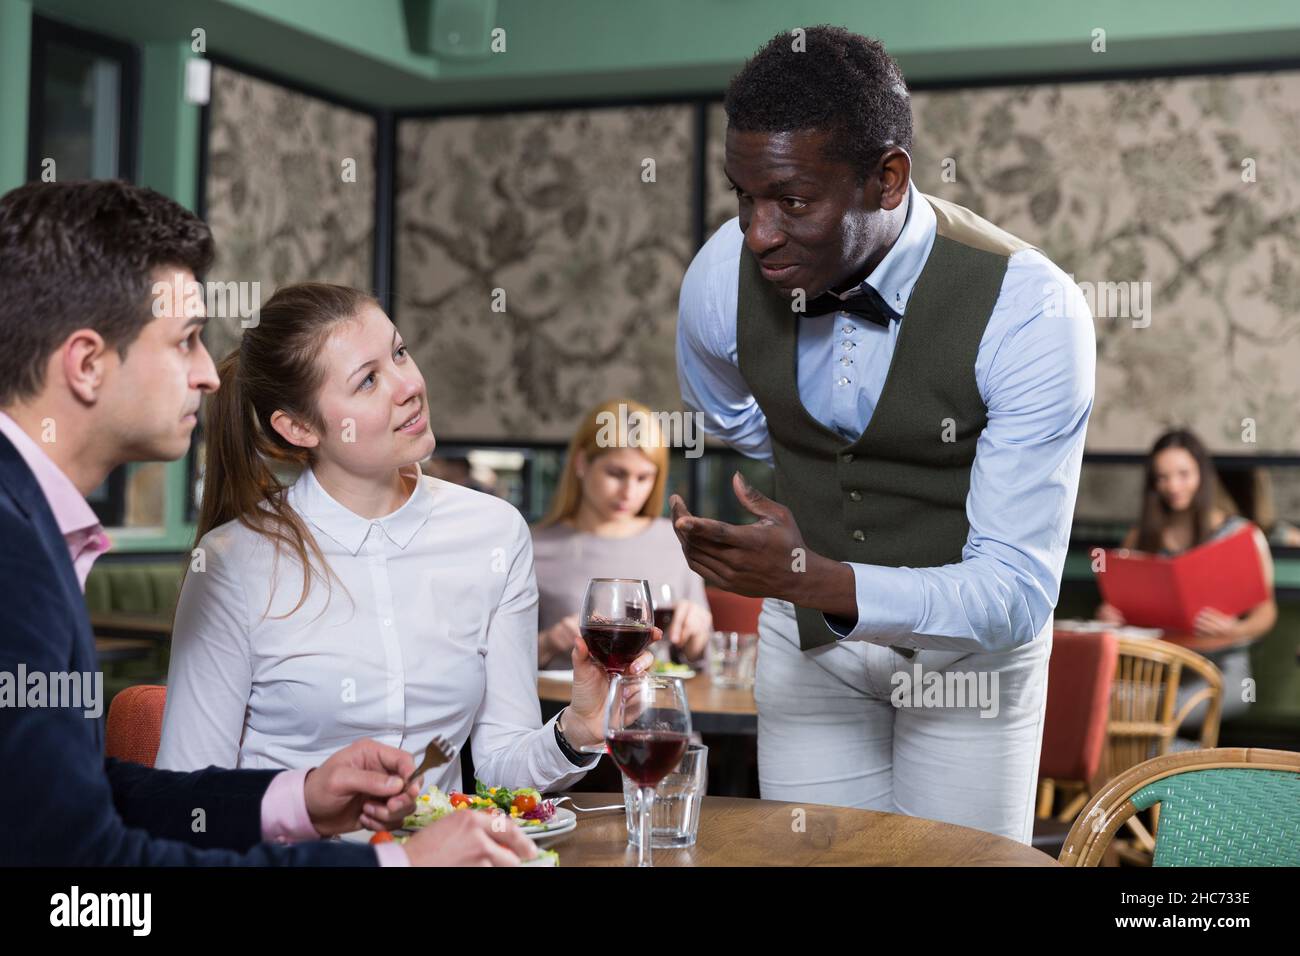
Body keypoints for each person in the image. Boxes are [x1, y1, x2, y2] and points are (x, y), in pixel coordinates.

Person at [0, 179, 535, 865]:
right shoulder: (15, 555)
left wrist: (297, 797)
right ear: (87, 364)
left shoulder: (33, 531)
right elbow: (85, 880)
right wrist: (393, 864)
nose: (211, 375)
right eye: (187, 341)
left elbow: (76, 800)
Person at [671, 27, 1095, 844]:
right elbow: (737, 419)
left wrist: (827, 579)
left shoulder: (1032, 309)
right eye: (743, 196)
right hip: (810, 651)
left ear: (887, 178)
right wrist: (818, 472)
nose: (758, 232)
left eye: (792, 201)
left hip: (968, 663)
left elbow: (1013, 593)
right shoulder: (720, 278)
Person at [155, 285, 655, 800]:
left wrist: (577, 730)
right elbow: (188, 793)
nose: (408, 384)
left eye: (399, 352)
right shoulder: (230, 564)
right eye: (368, 380)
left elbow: (500, 764)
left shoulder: (494, 533)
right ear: (300, 427)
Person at [1096, 429, 1275, 736]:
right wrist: (1108, 614)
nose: (1173, 486)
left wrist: (1236, 629)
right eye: (1162, 477)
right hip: (1157, 669)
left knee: (1144, 713)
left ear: (1202, 475)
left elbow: (1266, 611)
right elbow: (1118, 602)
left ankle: (1169, 771)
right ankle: (1189, 769)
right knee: (1111, 708)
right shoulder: (1140, 537)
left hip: (1221, 671)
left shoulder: (1239, 534)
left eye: (1183, 474)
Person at [532, 398, 712, 670]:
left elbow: (706, 661)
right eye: (616, 474)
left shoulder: (676, 541)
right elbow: (500, 665)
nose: (629, 492)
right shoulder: (535, 545)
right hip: (563, 707)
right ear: (581, 463)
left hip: (658, 704)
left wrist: (697, 637)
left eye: (644, 478)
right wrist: (550, 641)